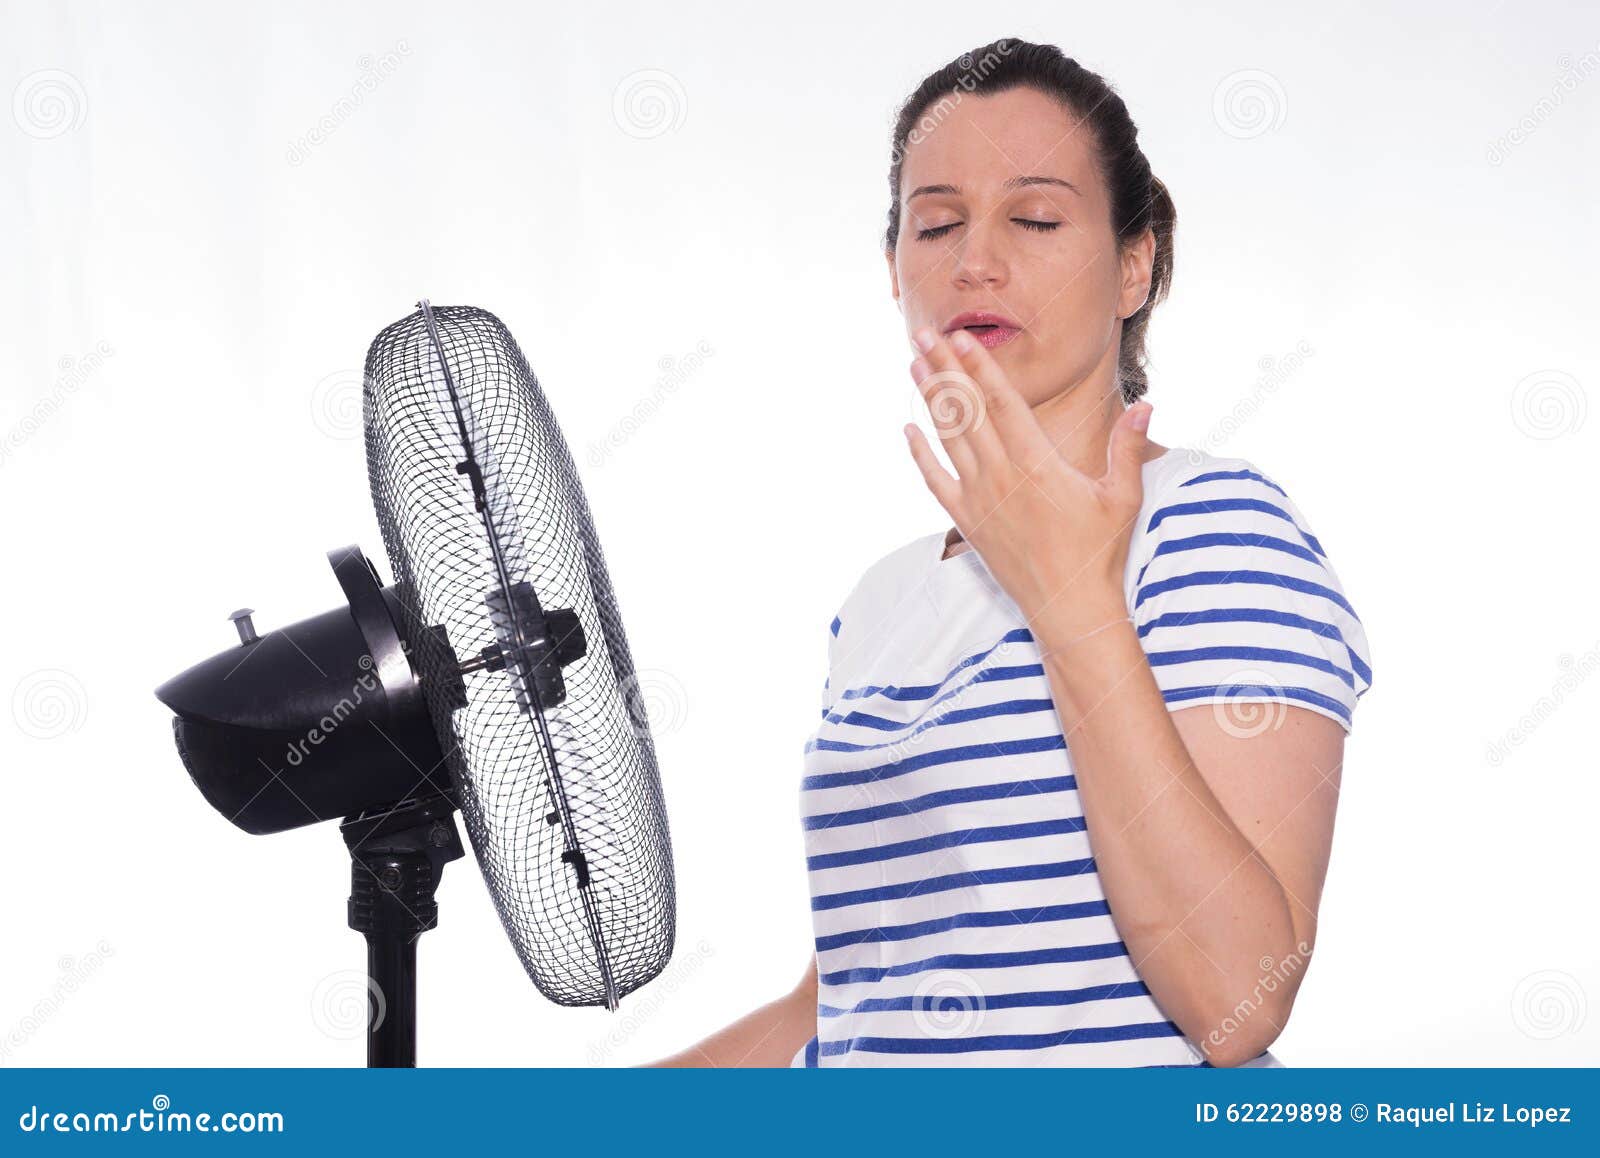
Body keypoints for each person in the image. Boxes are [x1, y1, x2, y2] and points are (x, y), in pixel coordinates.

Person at [653, 36, 1372, 1068]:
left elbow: (1236, 998)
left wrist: (1072, 599)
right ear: (893, 268)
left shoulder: (1214, 526)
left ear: (1134, 266)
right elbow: (842, 1007)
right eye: (936, 224)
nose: (974, 263)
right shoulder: (882, 599)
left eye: (1034, 220)